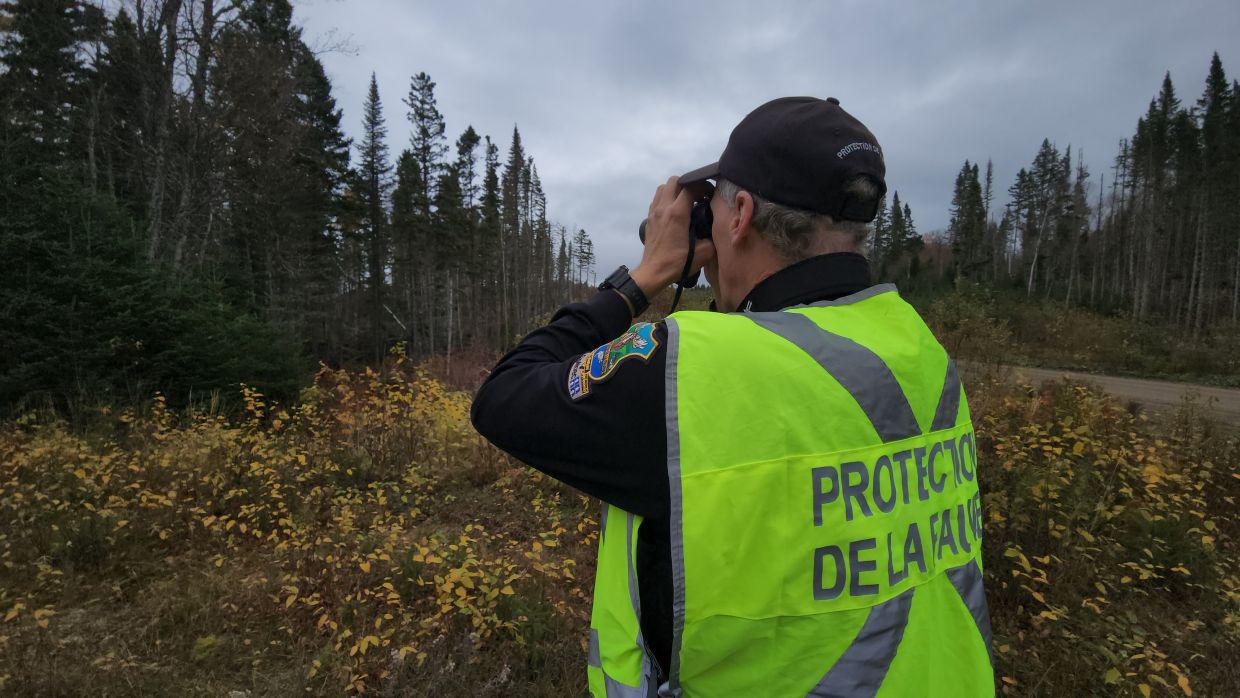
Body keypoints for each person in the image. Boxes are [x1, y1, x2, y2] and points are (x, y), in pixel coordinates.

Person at [471, 96, 994, 697]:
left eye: (713, 206)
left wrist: (644, 277)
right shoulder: (918, 346)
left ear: (740, 215)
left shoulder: (691, 370)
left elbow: (503, 395)